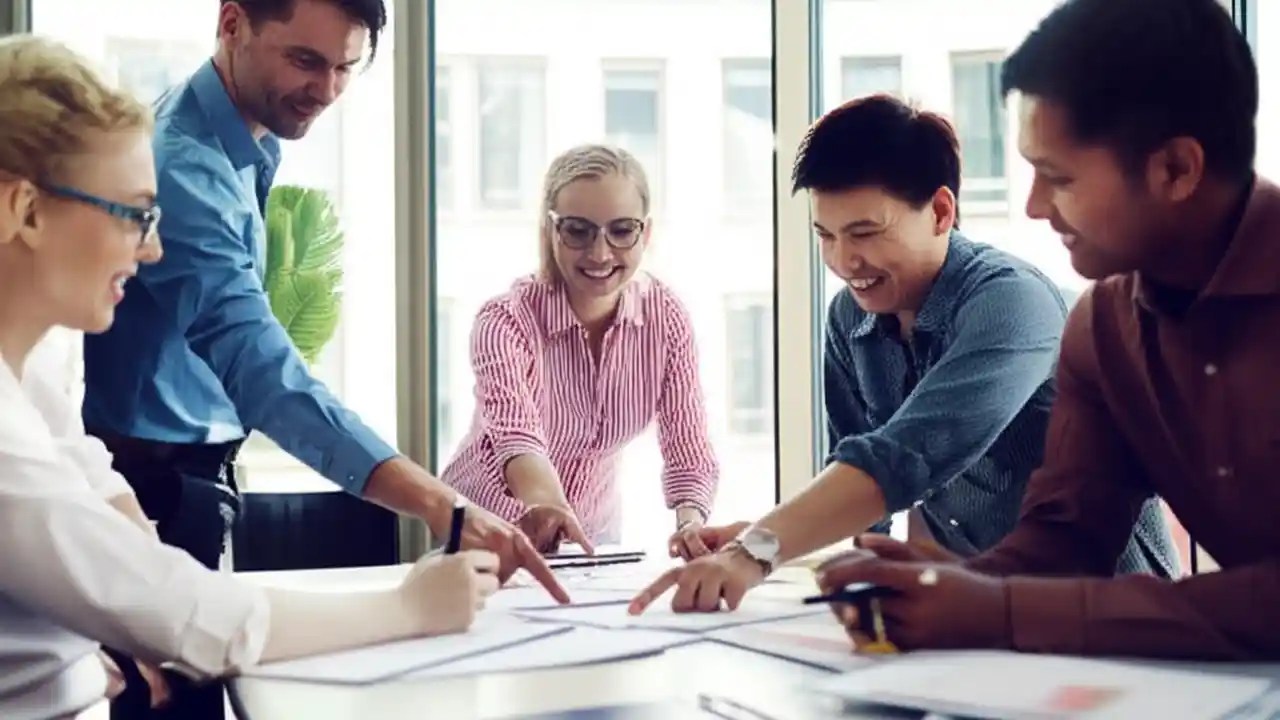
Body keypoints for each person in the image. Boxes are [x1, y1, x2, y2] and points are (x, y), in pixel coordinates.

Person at [0, 34, 500, 720]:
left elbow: (85, 465)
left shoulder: (32, 372)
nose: (150, 247)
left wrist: (137, 598)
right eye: (135, 215)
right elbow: (202, 616)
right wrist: (411, 606)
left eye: (345, 67)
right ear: (25, 212)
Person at [816, 0, 1280, 661]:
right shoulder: (1102, 325)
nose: (1034, 207)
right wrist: (939, 585)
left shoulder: (1018, 302)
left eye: (1056, 177)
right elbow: (1064, 539)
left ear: (1177, 169)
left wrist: (996, 607)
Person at [629, 95, 1177, 616]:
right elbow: (864, 487)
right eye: (826, 235)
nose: (844, 261)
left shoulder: (1013, 300)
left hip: (1108, 608)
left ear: (941, 211)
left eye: (865, 232)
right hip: (985, 608)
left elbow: (907, 458)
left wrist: (757, 551)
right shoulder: (850, 318)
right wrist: (770, 537)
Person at [441, 144, 720, 556]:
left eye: (622, 230)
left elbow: (688, 445)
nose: (600, 253)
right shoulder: (505, 320)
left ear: (646, 232)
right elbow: (516, 438)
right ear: (551, 230)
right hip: (488, 529)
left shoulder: (666, 316)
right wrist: (549, 507)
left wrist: (691, 524)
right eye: (578, 230)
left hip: (594, 537)